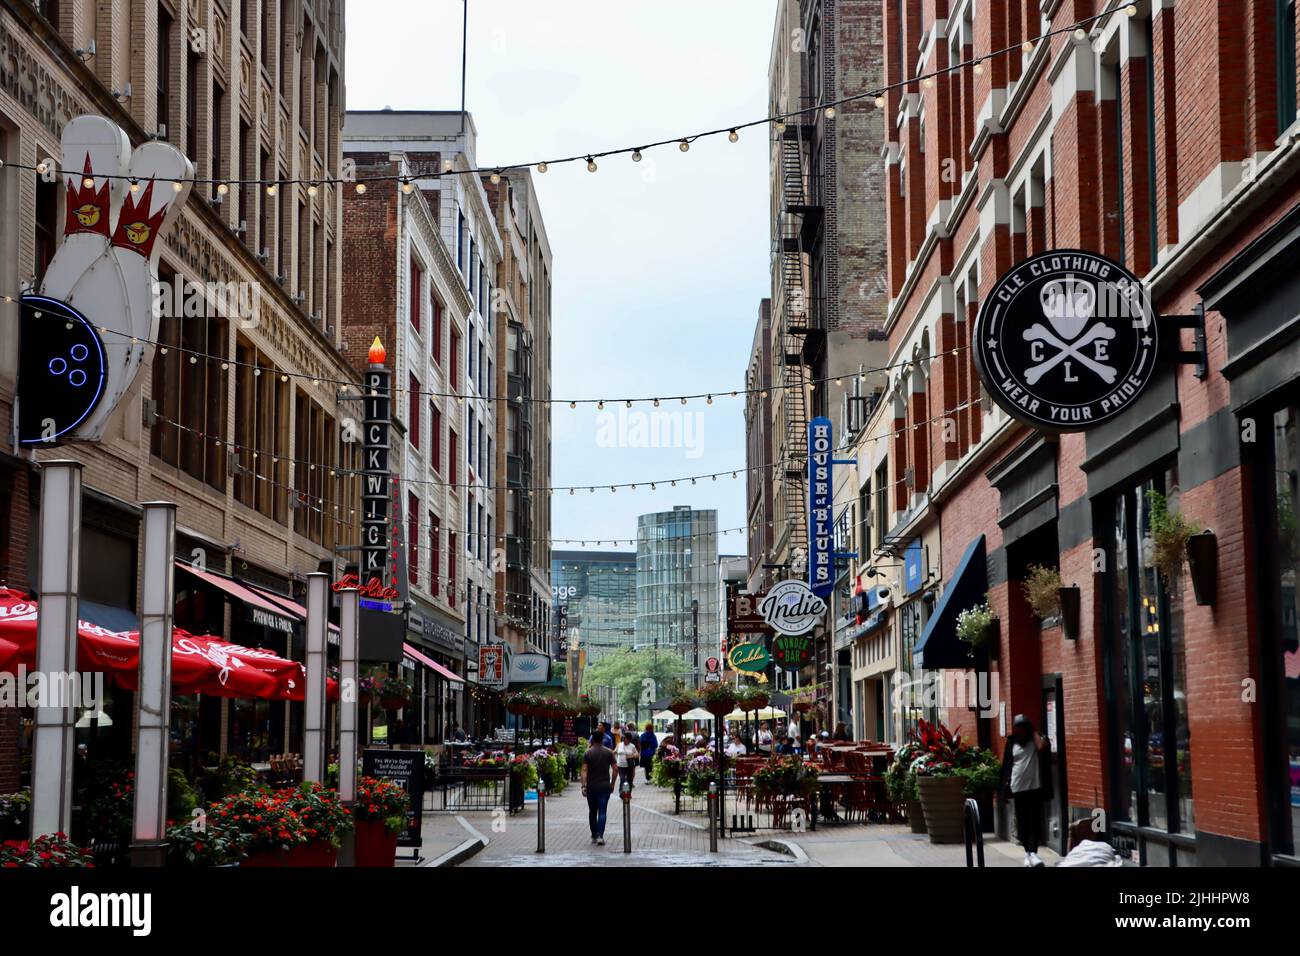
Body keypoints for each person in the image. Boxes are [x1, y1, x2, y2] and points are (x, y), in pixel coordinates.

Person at [1000, 714, 1053, 867]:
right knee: (1022, 823)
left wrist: (1034, 731)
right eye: (1018, 728)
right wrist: (1003, 791)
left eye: (1023, 728)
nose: (1020, 732)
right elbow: (1006, 766)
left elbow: (1042, 746)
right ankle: (1028, 853)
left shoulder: (1035, 741)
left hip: (1034, 788)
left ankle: (1033, 853)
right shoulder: (1011, 743)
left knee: (1034, 821)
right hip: (1017, 788)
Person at [581, 730, 619, 845]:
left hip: (591, 787)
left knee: (592, 811)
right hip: (604, 786)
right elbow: (615, 769)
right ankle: (600, 836)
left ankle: (594, 834)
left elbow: (584, 770)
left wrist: (583, 785)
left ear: (592, 739)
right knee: (602, 811)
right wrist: (612, 783)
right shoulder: (609, 752)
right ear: (602, 739)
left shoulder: (588, 753)